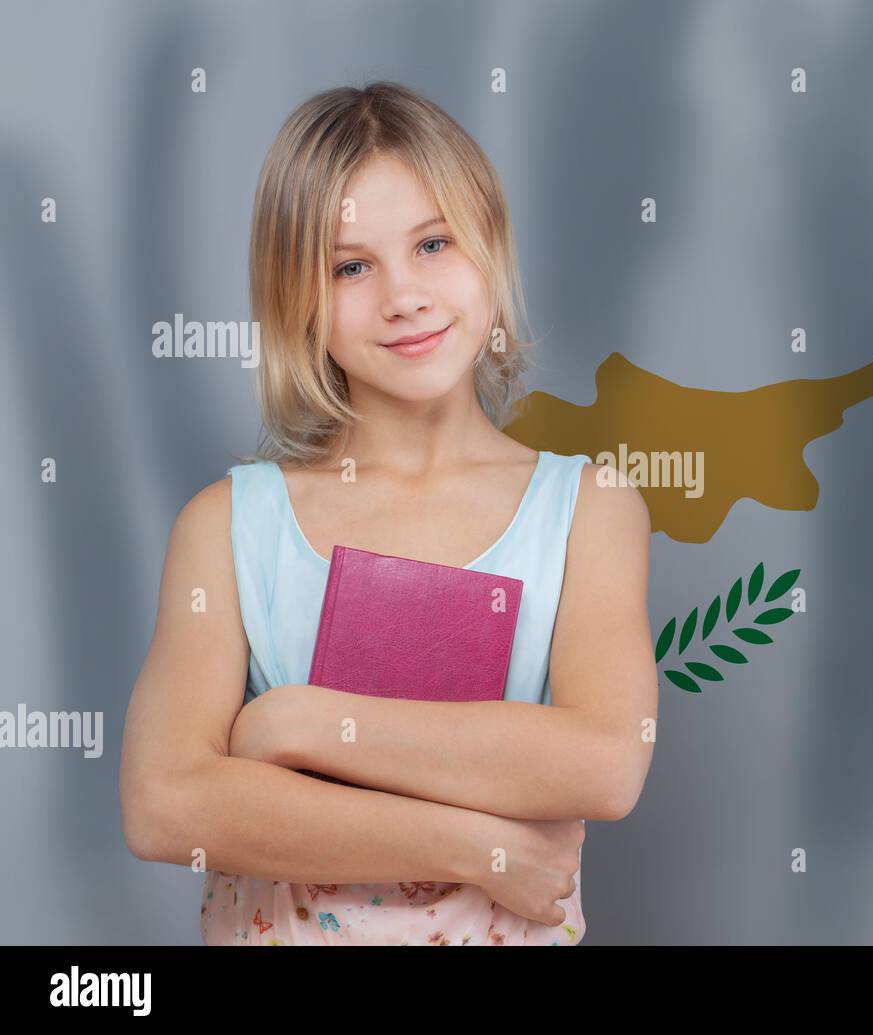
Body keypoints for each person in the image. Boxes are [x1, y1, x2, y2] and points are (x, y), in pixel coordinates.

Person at [119, 81, 658, 945]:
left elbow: (605, 761)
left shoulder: (587, 509)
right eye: (351, 266)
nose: (403, 295)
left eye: (434, 243)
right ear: (296, 294)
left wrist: (298, 724)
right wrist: (476, 847)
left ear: (491, 244)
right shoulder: (227, 527)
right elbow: (163, 803)